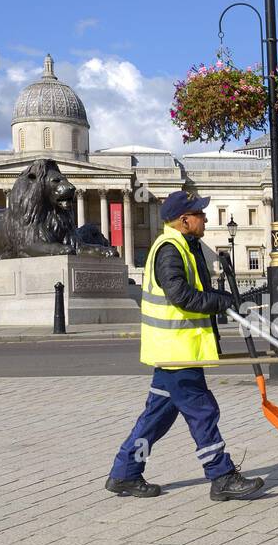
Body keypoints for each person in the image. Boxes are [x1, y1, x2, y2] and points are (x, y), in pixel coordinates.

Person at [107, 190, 264, 502]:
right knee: (203, 411)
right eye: (200, 214)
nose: (205, 218)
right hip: (176, 350)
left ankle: (125, 473)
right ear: (184, 220)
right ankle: (221, 475)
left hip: (174, 350)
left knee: (156, 418)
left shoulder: (184, 246)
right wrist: (224, 302)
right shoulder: (170, 249)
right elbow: (181, 296)